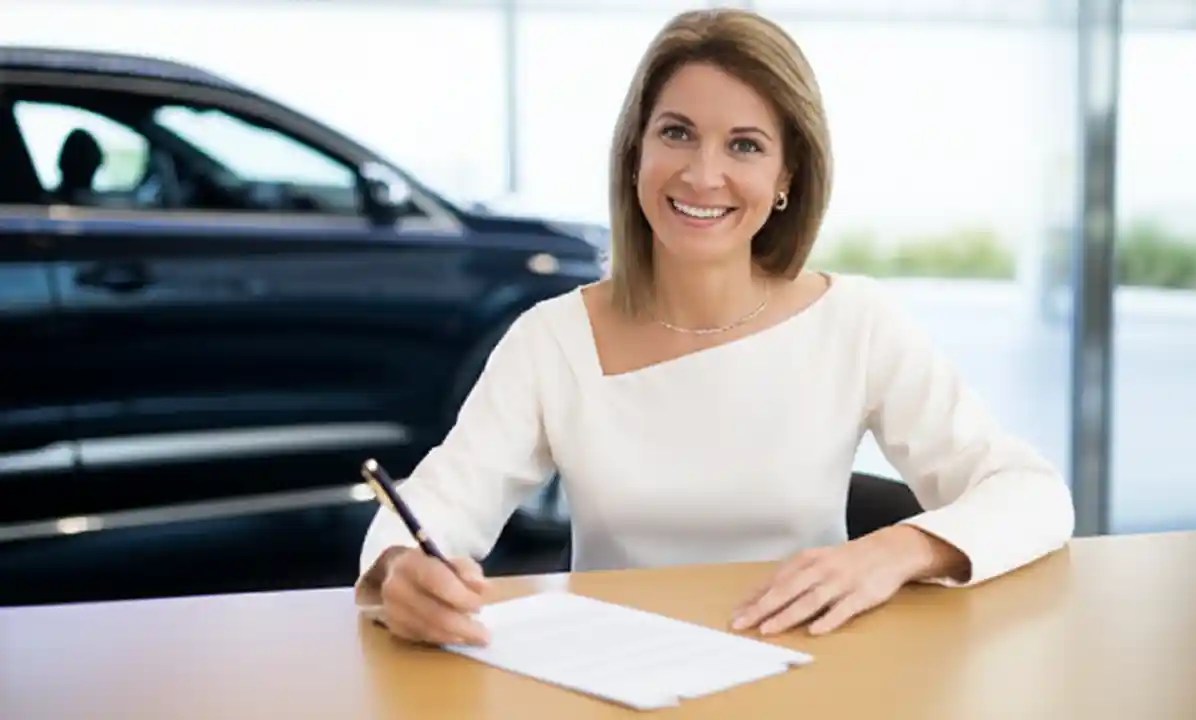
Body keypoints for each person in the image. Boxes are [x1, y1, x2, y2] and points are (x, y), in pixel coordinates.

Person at [355, 7, 1075, 647]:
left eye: (745, 145)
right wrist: (401, 574)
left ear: (789, 176)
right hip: (617, 680)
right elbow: (435, 507)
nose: (703, 175)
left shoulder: (855, 322)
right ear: (636, 149)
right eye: (677, 133)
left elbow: (1031, 493)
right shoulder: (552, 340)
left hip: (816, 674)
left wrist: (893, 551)